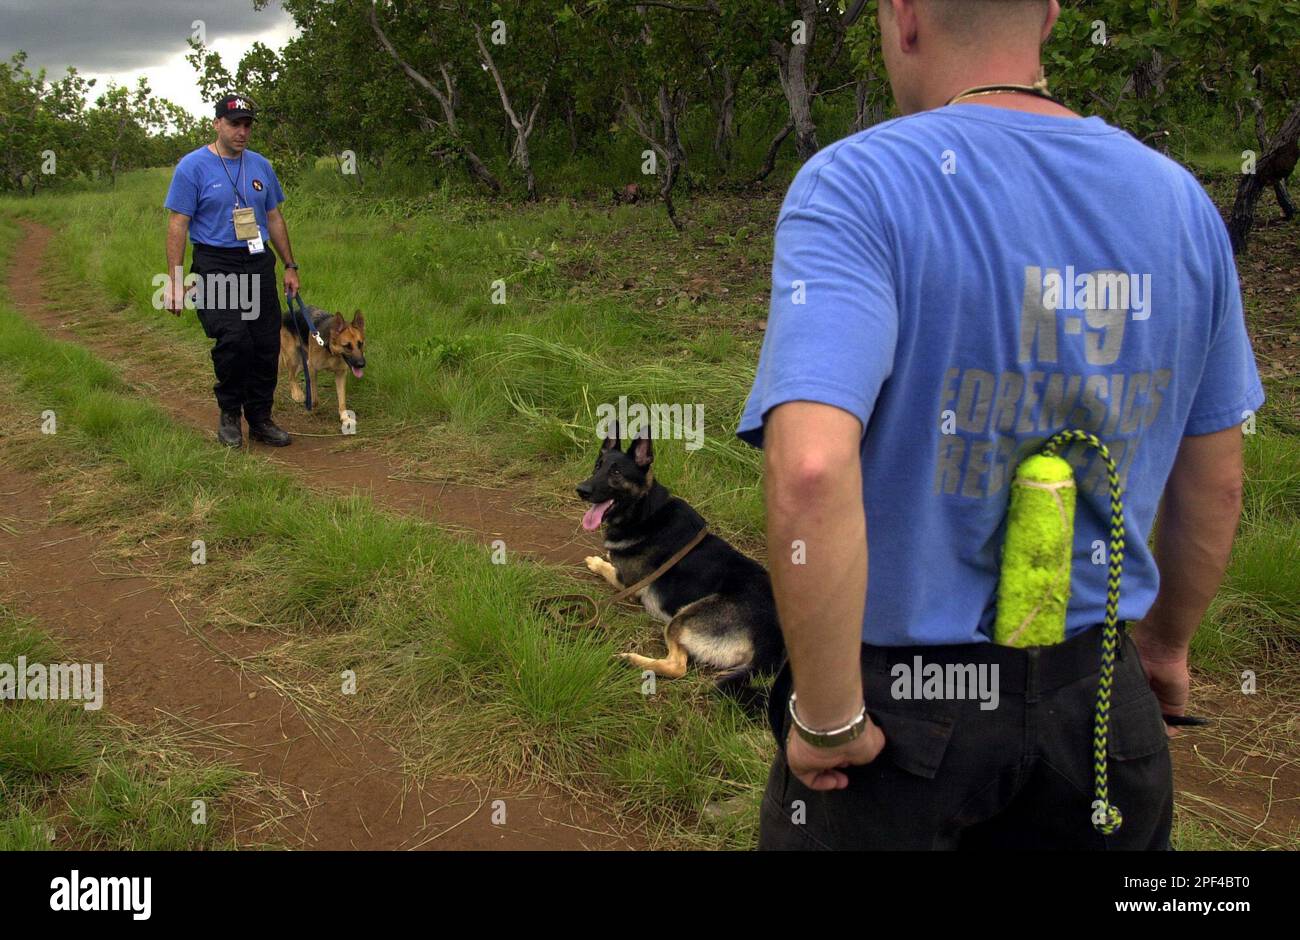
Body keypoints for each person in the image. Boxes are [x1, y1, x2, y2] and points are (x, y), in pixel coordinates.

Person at [737, 0, 1264, 849]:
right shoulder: (1180, 202)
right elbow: (1219, 475)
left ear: (905, 17)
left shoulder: (856, 185)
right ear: (1051, 18)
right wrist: (1163, 650)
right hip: (1099, 702)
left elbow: (808, 469)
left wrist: (830, 715)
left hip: (901, 720)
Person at [163, 93, 298, 448]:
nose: (242, 131)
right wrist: (175, 281)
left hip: (256, 261)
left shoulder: (260, 166)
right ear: (217, 124)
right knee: (235, 340)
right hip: (215, 263)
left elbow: (273, 217)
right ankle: (229, 415)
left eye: (247, 125)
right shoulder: (192, 167)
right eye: (234, 124)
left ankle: (260, 418)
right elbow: (178, 223)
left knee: (267, 344)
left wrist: (290, 265)